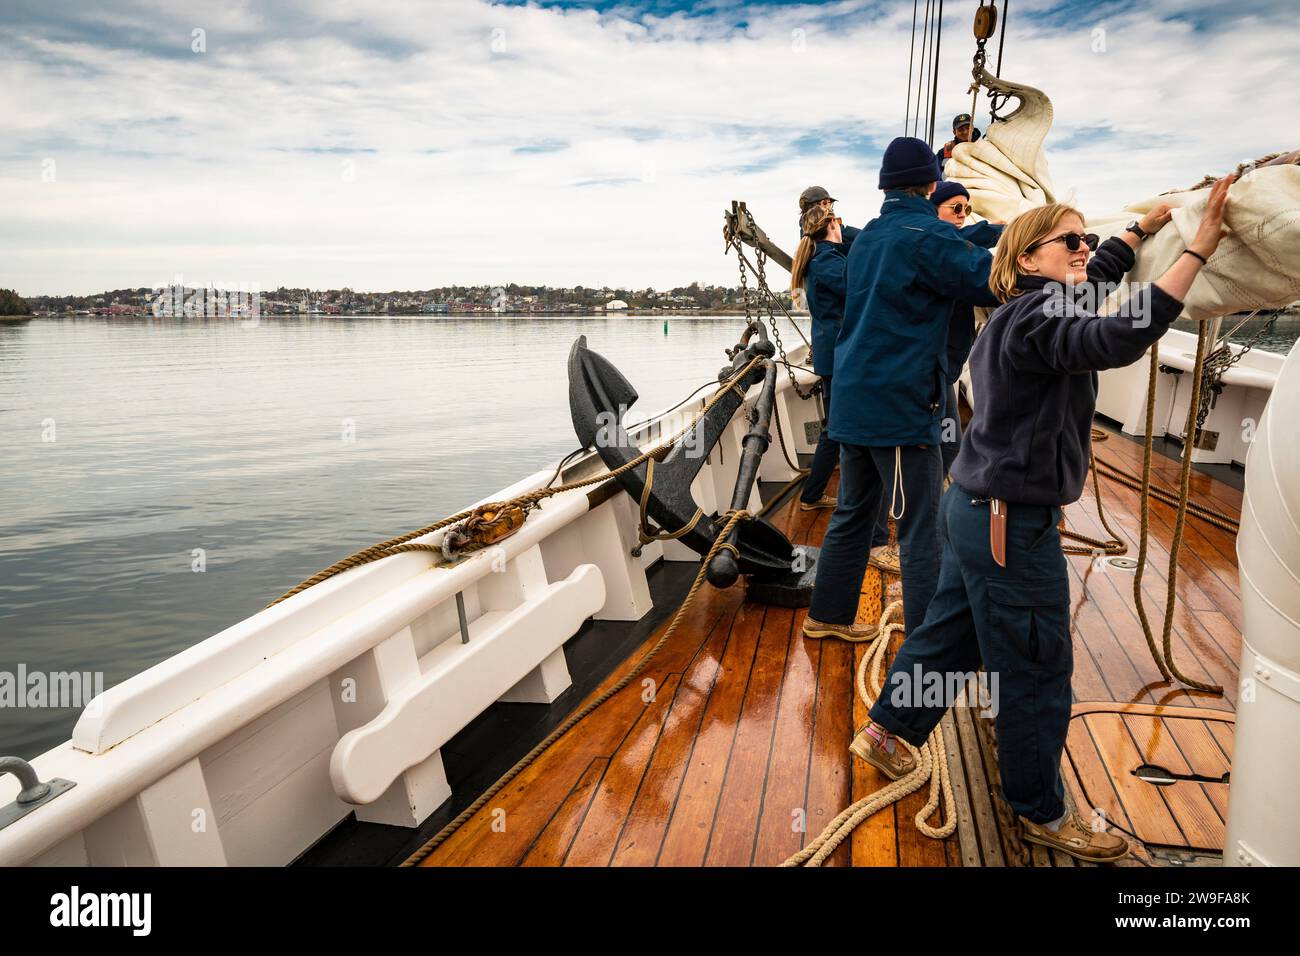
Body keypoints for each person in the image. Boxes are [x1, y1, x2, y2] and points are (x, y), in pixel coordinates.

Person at [852, 176, 1235, 863]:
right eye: (1071, 240)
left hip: (972, 511)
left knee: (950, 637)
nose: (1085, 247)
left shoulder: (1023, 311)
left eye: (1088, 236)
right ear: (1027, 257)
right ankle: (1042, 812)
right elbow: (1118, 337)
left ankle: (887, 731)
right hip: (1007, 526)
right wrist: (1198, 250)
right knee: (1035, 668)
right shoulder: (1040, 320)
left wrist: (1140, 232)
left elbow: (1098, 278)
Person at [801, 136, 1001, 645]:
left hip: (852, 402)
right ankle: (928, 642)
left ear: (885, 186)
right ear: (932, 184)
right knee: (920, 527)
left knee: (853, 513)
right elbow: (992, 281)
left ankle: (826, 615)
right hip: (901, 411)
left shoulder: (865, 239)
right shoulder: (929, 237)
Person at [930, 181, 1004, 474]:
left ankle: (935, 500)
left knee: (948, 440)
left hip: (946, 369)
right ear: (934, 211)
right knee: (943, 441)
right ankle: (924, 506)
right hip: (933, 372)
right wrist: (999, 230)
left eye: (967, 209)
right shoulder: (941, 249)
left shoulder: (958, 247)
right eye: (956, 208)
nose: (963, 214)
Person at [935, 113, 982, 180]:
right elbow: (935, 172)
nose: (965, 132)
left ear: (972, 128)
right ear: (954, 132)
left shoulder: (982, 148)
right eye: (961, 129)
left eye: (968, 128)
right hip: (950, 189)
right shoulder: (943, 153)